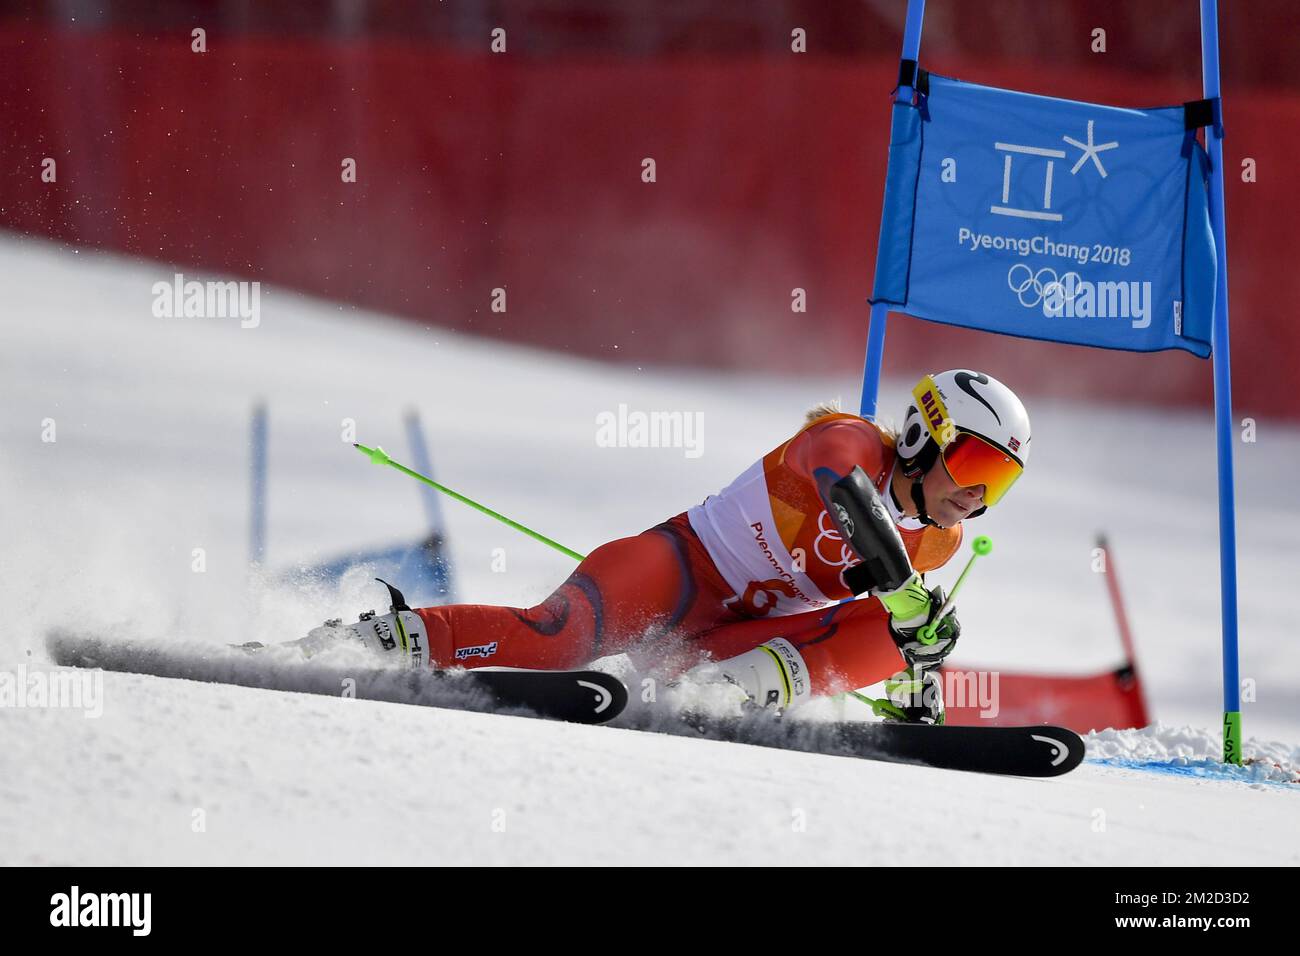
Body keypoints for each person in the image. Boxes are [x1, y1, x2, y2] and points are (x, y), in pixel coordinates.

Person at [311, 369, 1031, 724]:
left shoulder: (940, 542)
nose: (977, 494)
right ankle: (365, 644)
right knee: (556, 638)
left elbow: (888, 621)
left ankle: (718, 699)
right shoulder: (846, 440)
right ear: (921, 437)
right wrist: (904, 593)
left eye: (999, 480)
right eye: (974, 463)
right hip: (675, 574)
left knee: (922, 622)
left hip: (734, 642)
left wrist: (918, 672)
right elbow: (850, 498)